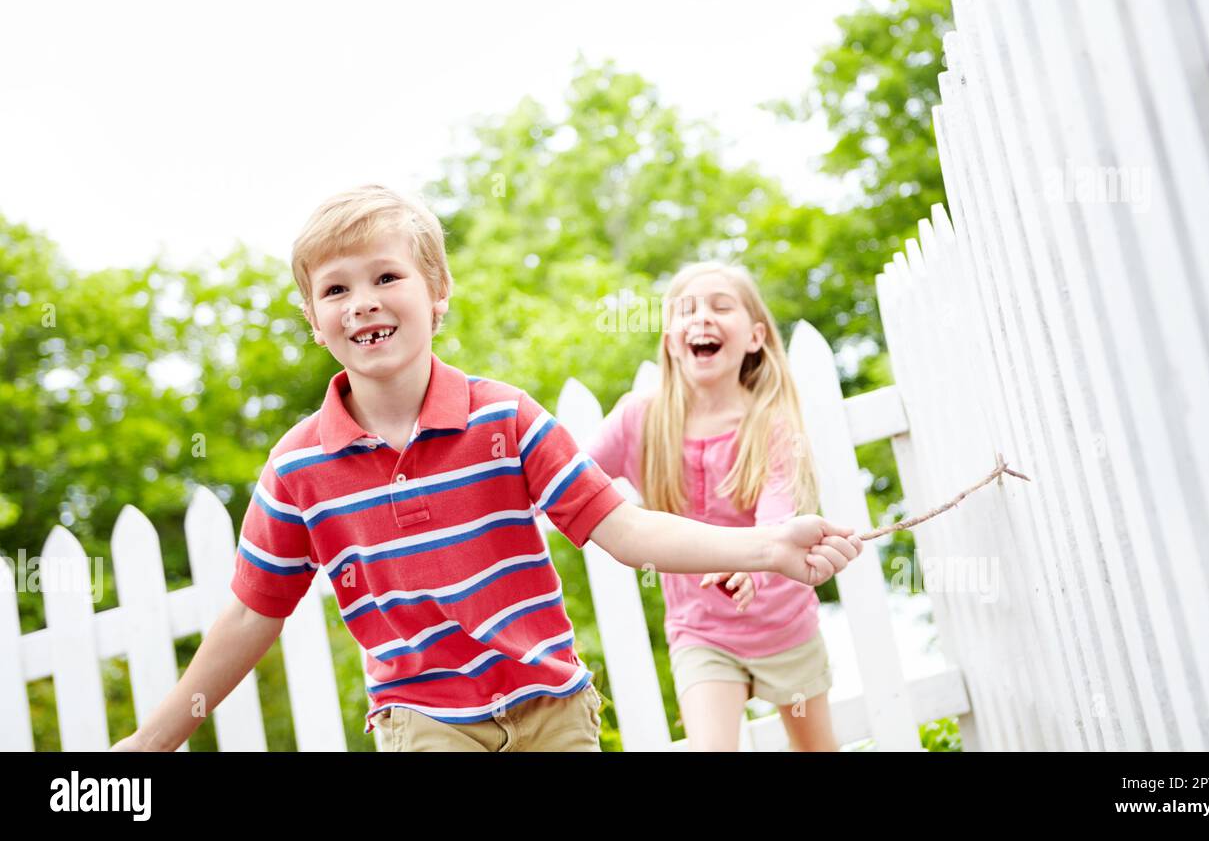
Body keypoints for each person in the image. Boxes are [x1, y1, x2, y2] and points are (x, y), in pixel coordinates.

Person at [110, 186, 863, 753]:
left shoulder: (506, 417)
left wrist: (766, 547)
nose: (362, 302)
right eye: (335, 288)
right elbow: (251, 612)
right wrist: (155, 741)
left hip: (551, 704)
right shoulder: (298, 469)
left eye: (385, 277)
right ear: (312, 318)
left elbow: (625, 529)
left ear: (437, 294)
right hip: (422, 716)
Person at [585, 261, 838, 751]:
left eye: (722, 306)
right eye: (686, 310)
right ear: (670, 339)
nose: (702, 317)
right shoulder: (639, 419)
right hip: (702, 632)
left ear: (755, 336)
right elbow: (568, 479)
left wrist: (755, 566)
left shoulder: (772, 425)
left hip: (783, 626)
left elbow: (778, 516)